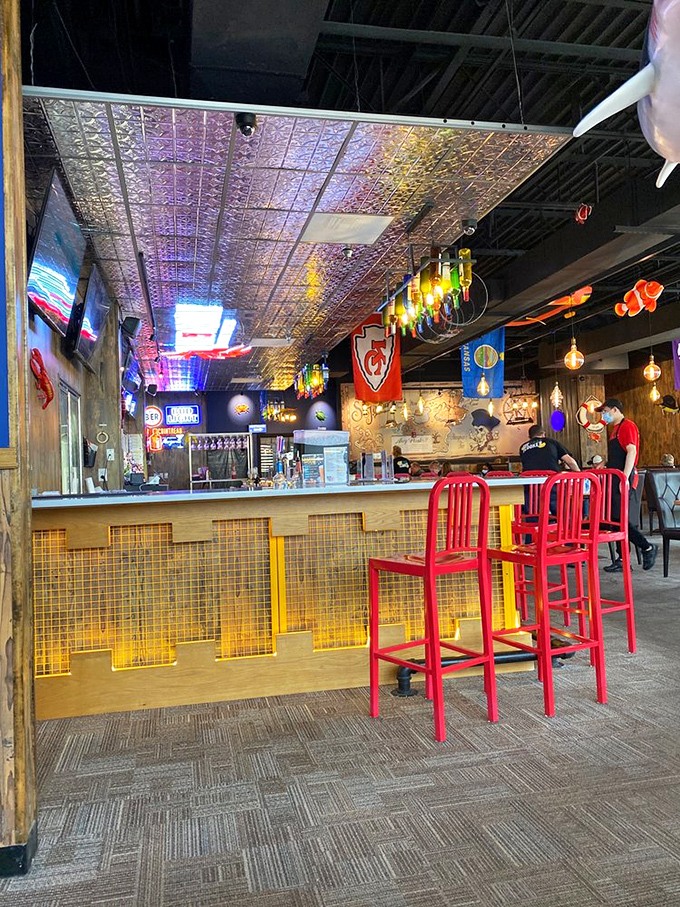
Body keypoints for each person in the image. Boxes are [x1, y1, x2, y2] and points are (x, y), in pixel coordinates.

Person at [596, 398, 658, 572]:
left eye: (605, 411)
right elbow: (619, 454)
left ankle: (647, 547)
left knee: (619, 519)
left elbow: (631, 451)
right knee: (615, 520)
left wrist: (624, 478)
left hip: (623, 478)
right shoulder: (615, 429)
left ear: (615, 410)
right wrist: (605, 462)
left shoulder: (627, 426)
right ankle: (623, 558)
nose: (603, 415)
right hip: (615, 477)